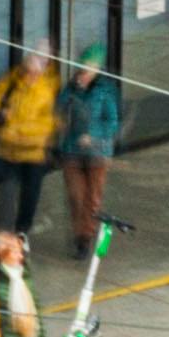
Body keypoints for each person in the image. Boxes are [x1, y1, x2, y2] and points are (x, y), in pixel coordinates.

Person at [53, 47, 125, 272]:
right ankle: (79, 234)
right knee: (76, 196)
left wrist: (93, 137)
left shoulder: (106, 90)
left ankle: (85, 236)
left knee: (92, 197)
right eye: (83, 66)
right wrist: (72, 91)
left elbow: (112, 121)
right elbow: (59, 108)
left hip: (98, 153)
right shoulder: (72, 87)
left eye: (90, 67)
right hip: (72, 149)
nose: (85, 71)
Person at [0, 47, 62, 239]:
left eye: (35, 71)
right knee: (6, 195)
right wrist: (0, 122)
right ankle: (2, 234)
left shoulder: (47, 91)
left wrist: (16, 132)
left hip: (33, 153)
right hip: (8, 152)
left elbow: (48, 125)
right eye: (28, 69)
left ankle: (21, 232)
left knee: (30, 195)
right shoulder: (10, 83)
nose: (31, 74)